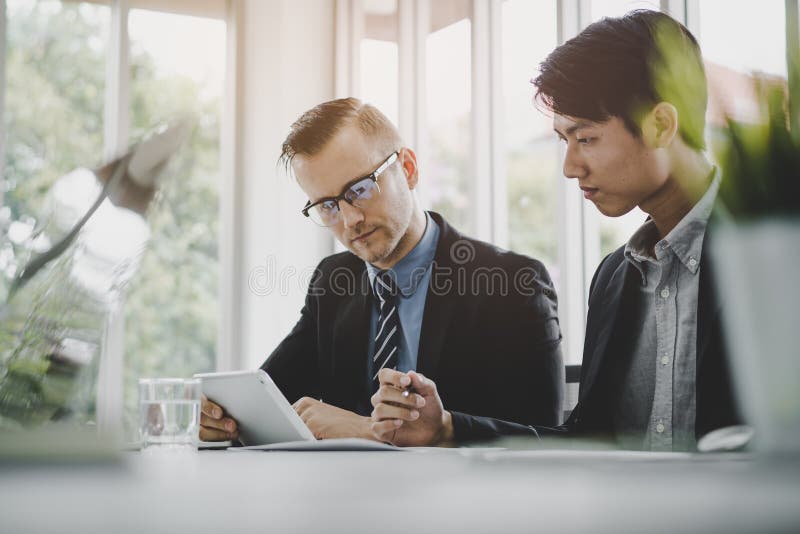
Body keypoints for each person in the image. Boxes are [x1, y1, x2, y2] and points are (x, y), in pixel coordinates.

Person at [371, 10, 742, 451]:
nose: (570, 167)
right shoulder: (615, 277)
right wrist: (447, 428)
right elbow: (589, 441)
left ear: (661, 124)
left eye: (585, 139)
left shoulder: (772, 252)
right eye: (563, 141)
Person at [200, 97, 564, 442]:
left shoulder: (513, 284)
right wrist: (217, 417)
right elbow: (270, 394)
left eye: (359, 189)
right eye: (327, 206)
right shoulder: (332, 282)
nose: (350, 220)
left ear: (408, 169)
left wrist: (375, 430)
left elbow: (542, 439)